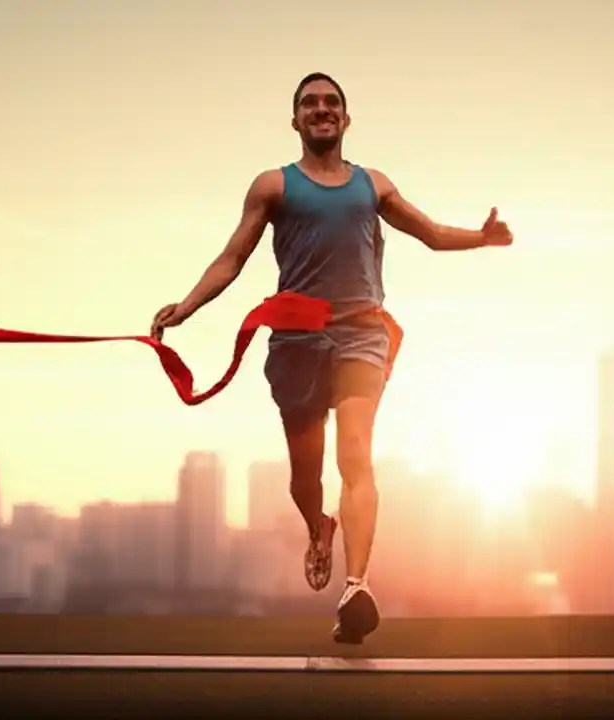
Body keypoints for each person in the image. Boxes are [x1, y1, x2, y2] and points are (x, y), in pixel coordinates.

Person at [149, 72, 513, 643]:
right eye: (310, 103)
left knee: (356, 454)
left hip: (362, 334)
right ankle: (318, 526)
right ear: (295, 120)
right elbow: (232, 257)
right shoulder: (273, 185)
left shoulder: (373, 185)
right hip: (297, 339)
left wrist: (481, 237)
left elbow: (431, 233)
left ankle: (356, 586)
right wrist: (187, 306)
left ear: (346, 118)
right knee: (306, 474)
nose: (322, 109)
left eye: (332, 102)